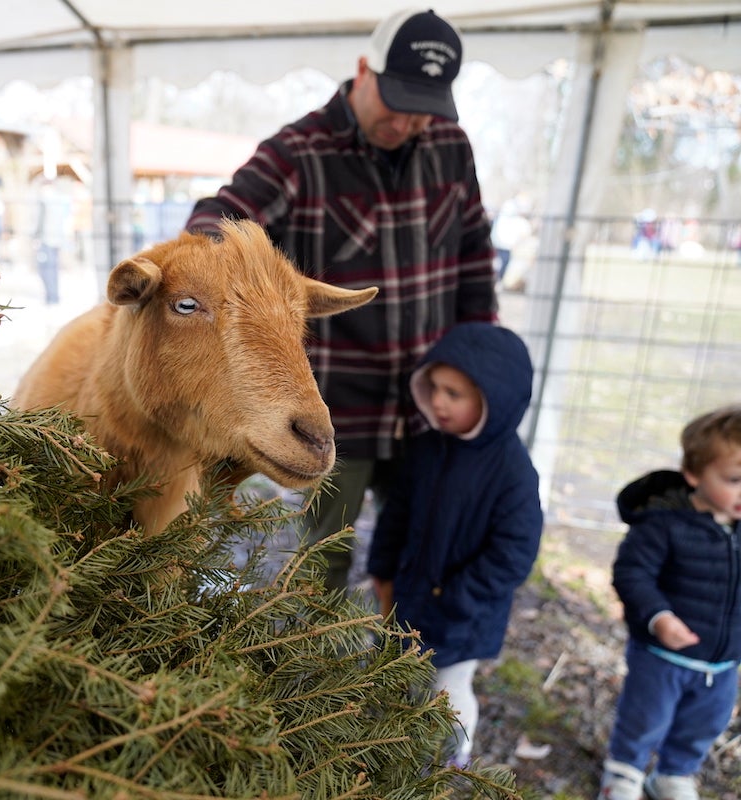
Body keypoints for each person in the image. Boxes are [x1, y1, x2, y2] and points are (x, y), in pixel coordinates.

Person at [185, 8, 498, 591]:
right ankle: (310, 673)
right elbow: (221, 216)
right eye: (397, 100)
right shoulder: (298, 151)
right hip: (336, 409)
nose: (406, 122)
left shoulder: (451, 147)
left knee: (419, 546)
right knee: (323, 555)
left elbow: (475, 249)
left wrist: (481, 357)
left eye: (422, 108)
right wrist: (202, 260)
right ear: (363, 69)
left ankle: (405, 666)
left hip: (429, 401)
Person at [365, 322, 543, 767]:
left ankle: (452, 753)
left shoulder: (513, 473)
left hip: (466, 612)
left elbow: (515, 553)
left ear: (493, 400)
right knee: (400, 672)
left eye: (455, 394)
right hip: (408, 594)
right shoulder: (428, 449)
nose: (439, 402)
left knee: (448, 687)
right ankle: (393, 743)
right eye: (436, 388)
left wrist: (459, 595)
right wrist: (382, 568)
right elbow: (397, 514)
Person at [597, 405, 741, 800]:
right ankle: (623, 772)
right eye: (734, 479)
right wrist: (658, 617)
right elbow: (632, 574)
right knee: (645, 718)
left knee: (704, 723)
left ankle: (674, 774)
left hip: (723, 663)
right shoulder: (663, 524)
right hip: (663, 655)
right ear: (695, 474)